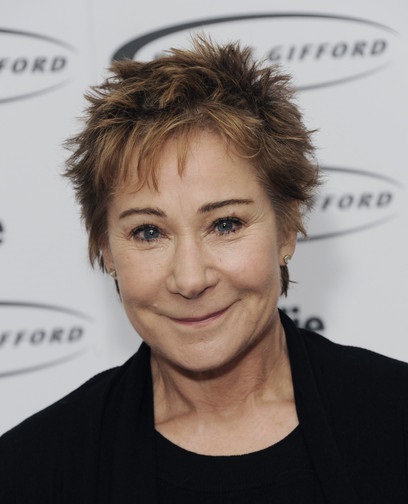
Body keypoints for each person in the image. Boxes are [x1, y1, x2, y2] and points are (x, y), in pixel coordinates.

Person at [1, 36, 408, 504]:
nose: (191, 280)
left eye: (225, 224)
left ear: (287, 229)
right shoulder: (29, 474)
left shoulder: (396, 419)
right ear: (104, 248)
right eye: (148, 232)